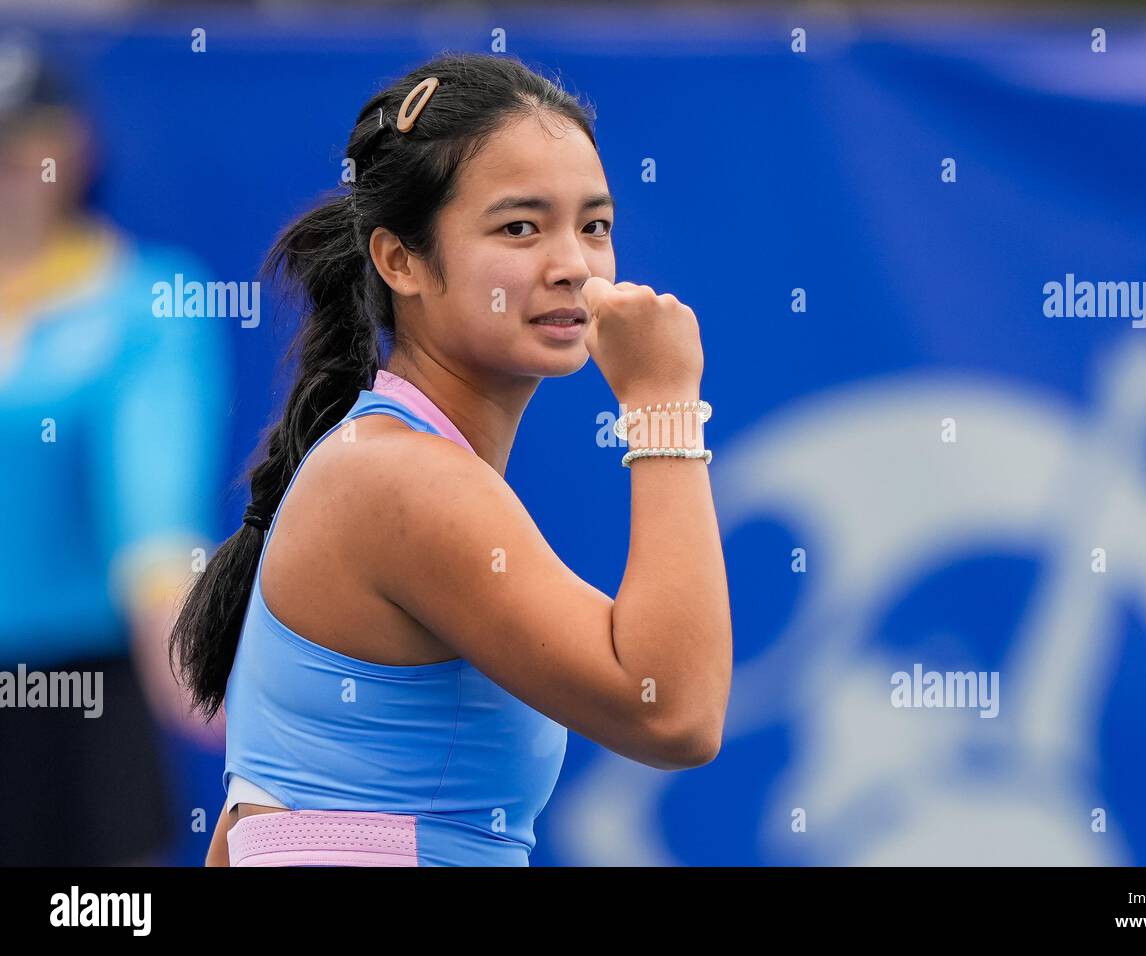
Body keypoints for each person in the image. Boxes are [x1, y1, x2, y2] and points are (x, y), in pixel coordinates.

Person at [170, 52, 732, 867]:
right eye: (519, 227)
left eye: (594, 225)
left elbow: (248, 833)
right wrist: (662, 406)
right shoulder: (404, 479)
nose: (573, 262)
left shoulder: (391, 464)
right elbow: (675, 713)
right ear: (400, 260)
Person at [0, 34, 229, 865]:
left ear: (74, 148)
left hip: (87, 702)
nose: (7, 171)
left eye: (24, 146)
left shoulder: (147, 304)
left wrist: (182, 640)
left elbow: (155, 505)